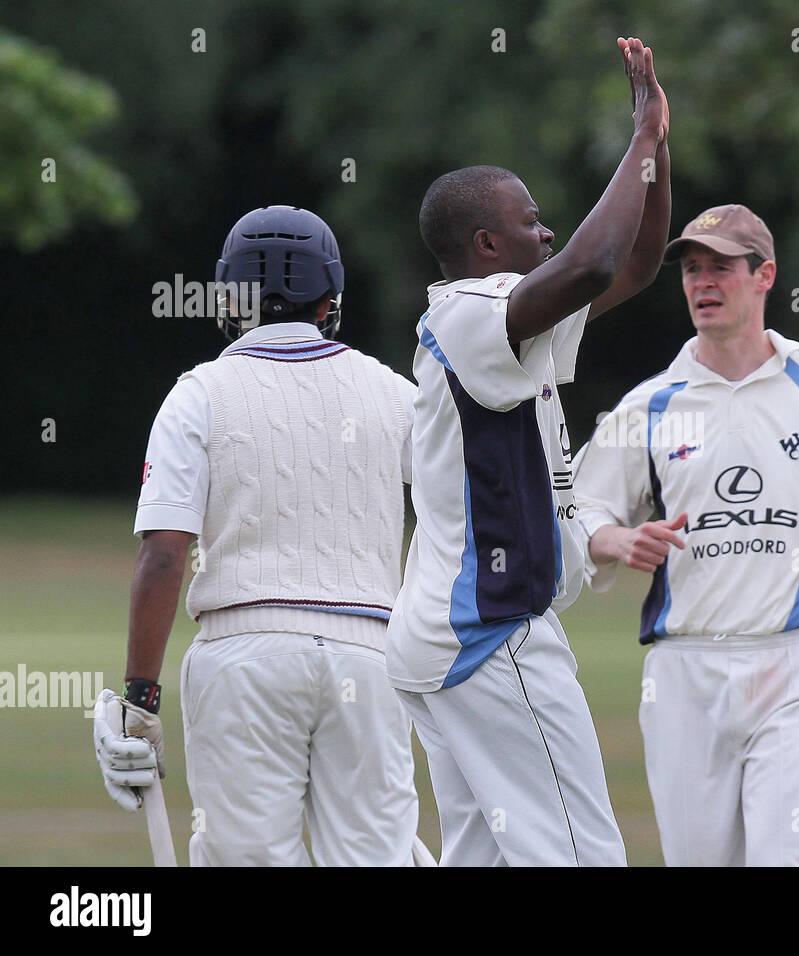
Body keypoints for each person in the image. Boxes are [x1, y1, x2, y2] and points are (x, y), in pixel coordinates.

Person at [571, 203, 799, 866]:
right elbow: (579, 509)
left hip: (795, 663)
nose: (702, 283)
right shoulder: (650, 404)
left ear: (764, 274)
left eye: (721, 268)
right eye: (691, 269)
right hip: (684, 675)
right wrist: (616, 541)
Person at [384, 36, 670, 866]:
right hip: (490, 629)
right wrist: (638, 143)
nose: (545, 231)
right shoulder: (473, 314)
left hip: (451, 634)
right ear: (483, 245)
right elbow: (591, 262)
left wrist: (659, 147)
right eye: (528, 220)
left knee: (490, 854)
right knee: (580, 854)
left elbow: (637, 262)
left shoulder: (508, 318)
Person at [92, 204, 431, 866]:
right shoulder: (395, 394)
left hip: (241, 658)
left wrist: (140, 698)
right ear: (331, 298)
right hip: (370, 657)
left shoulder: (198, 394)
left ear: (227, 297)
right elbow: (462, 514)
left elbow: (165, 555)